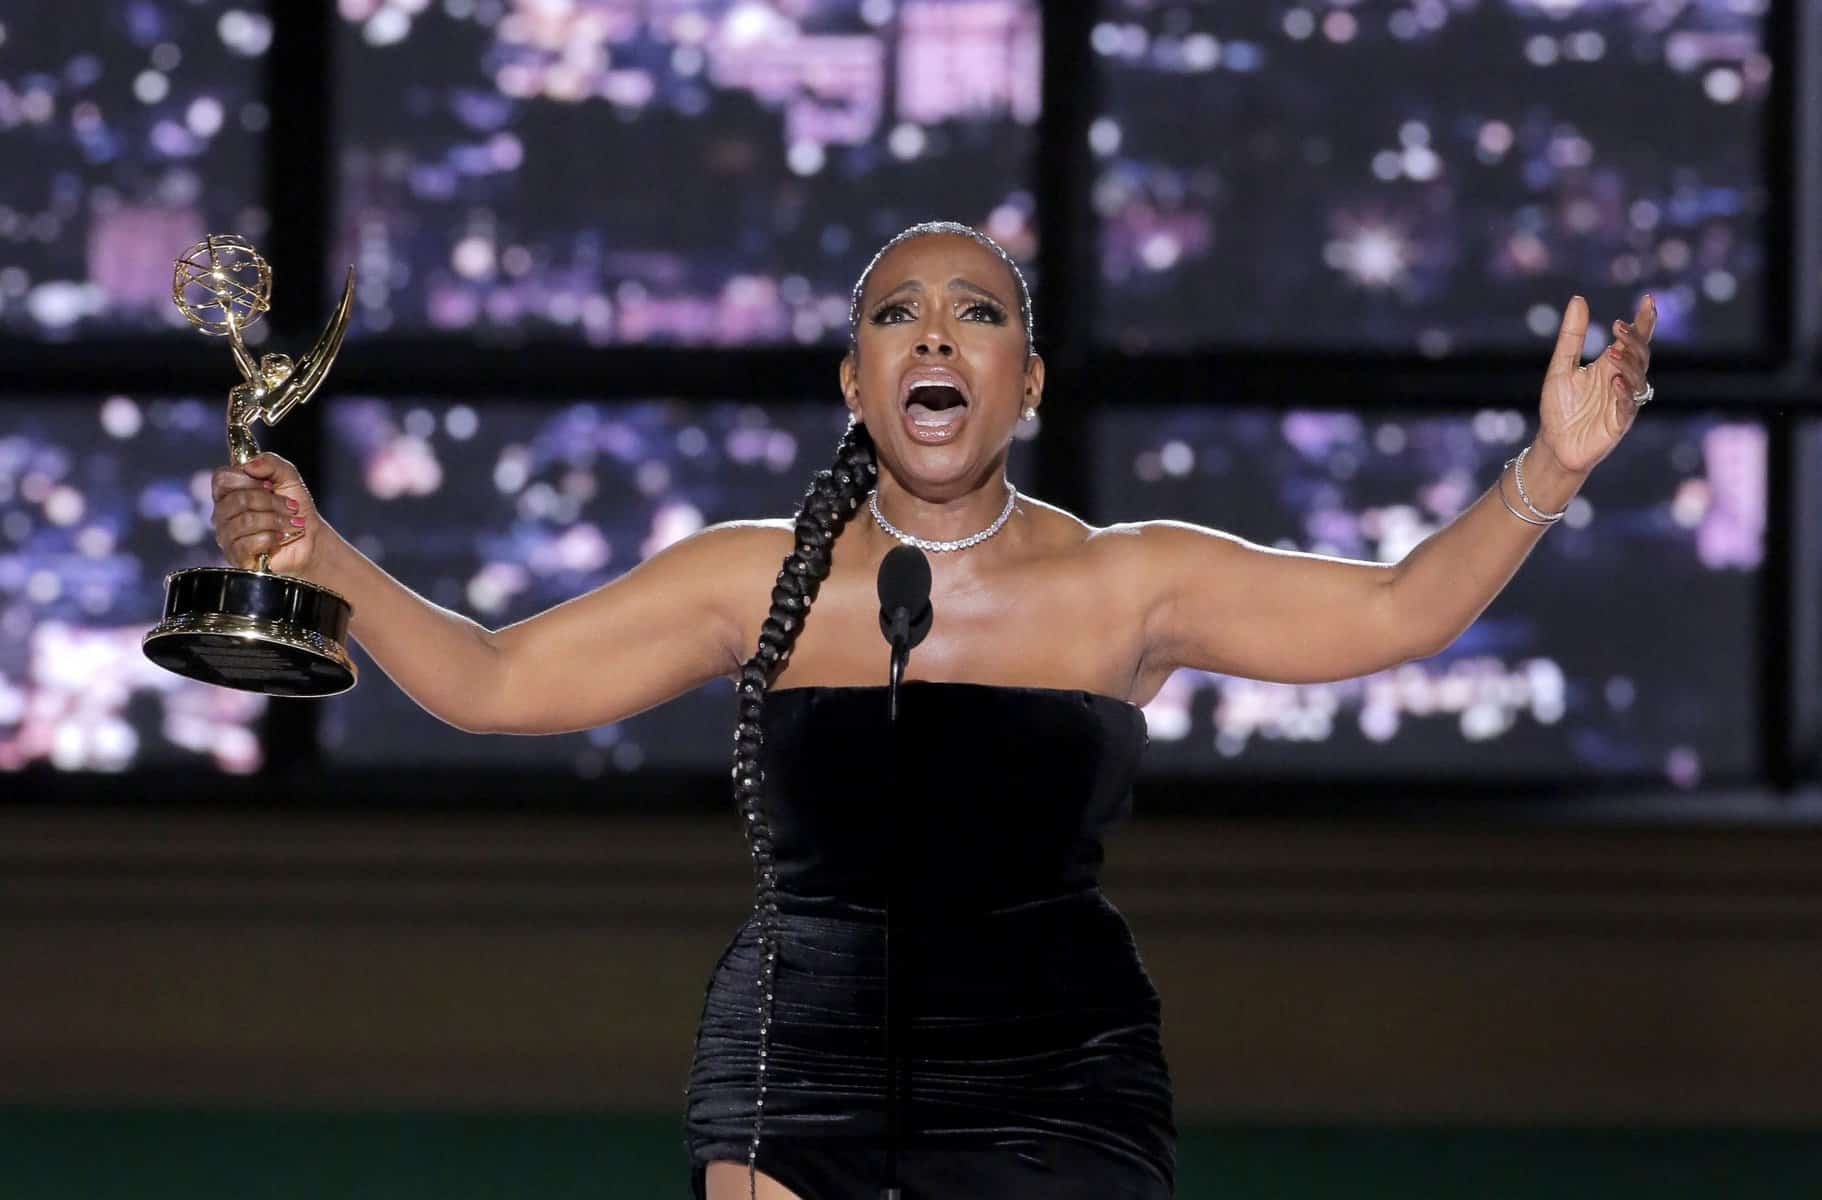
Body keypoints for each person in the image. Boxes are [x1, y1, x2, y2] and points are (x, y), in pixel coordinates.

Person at [210, 221, 1655, 1200]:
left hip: (1059, 1067)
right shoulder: (749, 576)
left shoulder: (1126, 582)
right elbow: (493, 682)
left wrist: (1552, 466)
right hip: (800, 1055)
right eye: (897, 316)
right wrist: (324, 558)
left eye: (977, 315)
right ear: (856, 382)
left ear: (1021, 380)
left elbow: (1398, 611)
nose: (934, 337)